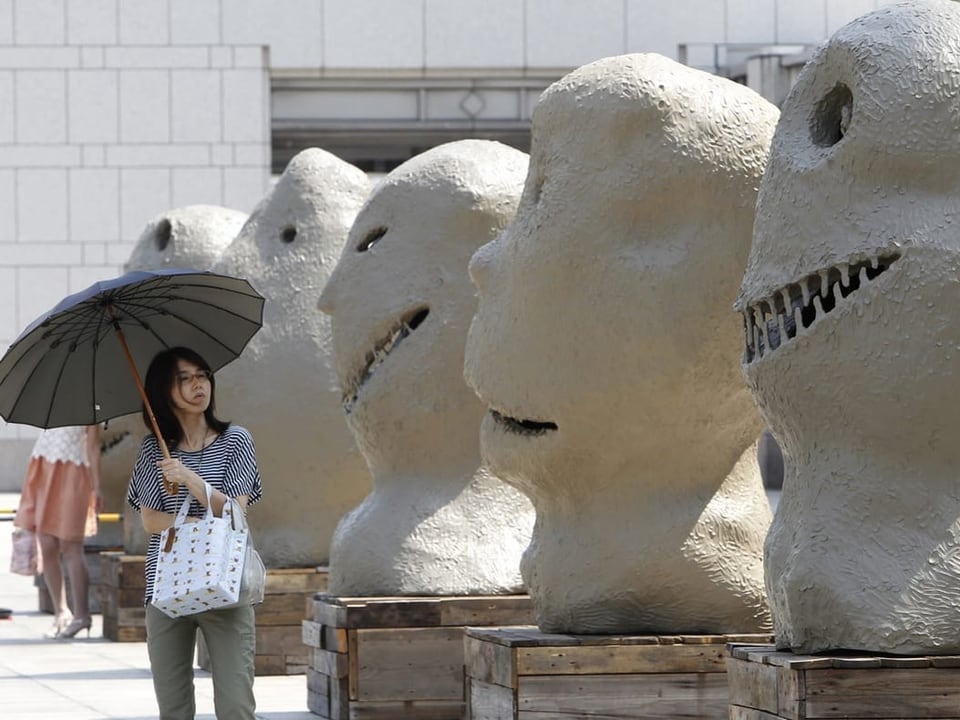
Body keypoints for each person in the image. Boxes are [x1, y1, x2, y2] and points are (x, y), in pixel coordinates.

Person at [127, 346, 262, 720]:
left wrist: (188, 478)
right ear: (162, 392)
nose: (197, 384)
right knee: (173, 708)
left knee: (236, 705)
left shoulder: (236, 440)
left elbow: (235, 511)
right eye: (183, 379)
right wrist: (195, 522)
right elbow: (151, 521)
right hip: (166, 585)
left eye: (202, 375)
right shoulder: (154, 449)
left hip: (225, 584)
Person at [14, 424, 102, 639]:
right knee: (46, 543)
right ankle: (60, 612)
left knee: (71, 545)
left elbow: (94, 446)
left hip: (74, 471)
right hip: (43, 466)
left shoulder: (89, 402)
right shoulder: (50, 397)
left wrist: (98, 487)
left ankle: (82, 615)